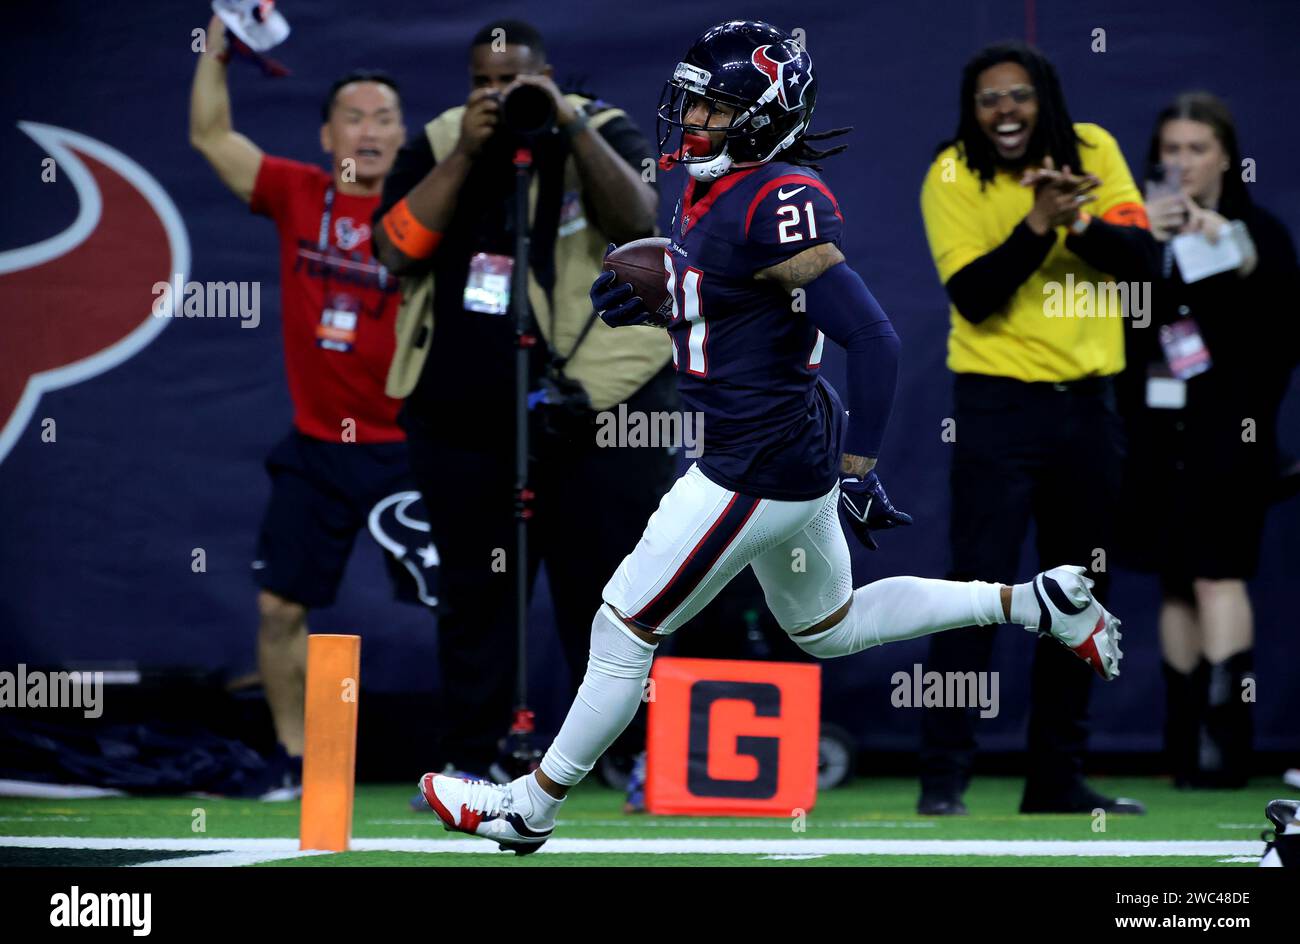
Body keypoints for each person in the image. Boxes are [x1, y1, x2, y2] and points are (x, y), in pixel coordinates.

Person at [414, 20, 1123, 854]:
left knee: (623, 622)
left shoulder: (775, 198)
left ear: (761, 115)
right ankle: (1037, 602)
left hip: (753, 459)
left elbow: (875, 337)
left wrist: (860, 467)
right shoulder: (717, 191)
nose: (692, 119)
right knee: (828, 628)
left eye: (712, 106)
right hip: (782, 447)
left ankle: (530, 806)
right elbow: (739, 295)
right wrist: (671, 293)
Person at [372, 20, 677, 781]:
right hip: (464, 412)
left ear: (549, 76)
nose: (499, 94)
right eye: (484, 81)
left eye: (516, 81)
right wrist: (472, 148)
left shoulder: (598, 126)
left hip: (601, 407)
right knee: (477, 593)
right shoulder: (442, 138)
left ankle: (630, 758)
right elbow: (392, 249)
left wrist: (566, 120)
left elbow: (639, 221)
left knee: (611, 589)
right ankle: (470, 758)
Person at [916, 41, 1153, 816]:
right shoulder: (950, 171)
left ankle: (1056, 778)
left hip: (1089, 407)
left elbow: (1145, 265)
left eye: (1018, 95)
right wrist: (1036, 223)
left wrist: (1073, 220)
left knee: (1082, 588)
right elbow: (976, 297)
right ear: (970, 109)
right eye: (989, 99)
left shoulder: (1094, 149)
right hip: (997, 407)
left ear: (1043, 98)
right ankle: (944, 776)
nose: (1005, 110)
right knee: (976, 587)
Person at [189, 14, 411, 797]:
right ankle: (294, 760)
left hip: (413, 448)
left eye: (385, 117)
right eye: (354, 116)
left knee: (469, 604)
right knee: (280, 607)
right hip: (318, 447)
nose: (371, 129)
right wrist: (217, 43)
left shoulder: (433, 208)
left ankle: (480, 756)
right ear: (326, 135)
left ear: (404, 133)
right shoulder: (297, 193)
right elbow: (212, 135)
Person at [1115, 92, 1300, 788]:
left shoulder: (1259, 233)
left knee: (1218, 573)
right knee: (1173, 581)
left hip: (1231, 434)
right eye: (1171, 150)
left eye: (1197, 149)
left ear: (1225, 155)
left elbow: (1283, 326)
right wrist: (1147, 242)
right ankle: (1183, 743)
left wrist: (1227, 246)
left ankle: (1227, 746)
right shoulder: (1137, 230)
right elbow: (1121, 329)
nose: (1183, 162)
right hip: (1155, 433)